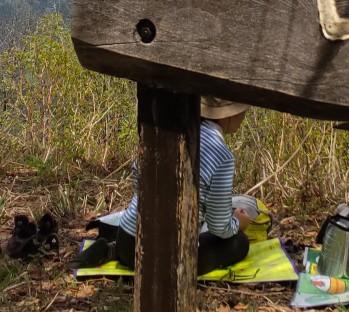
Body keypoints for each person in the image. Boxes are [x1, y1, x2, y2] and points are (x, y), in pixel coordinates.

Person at [77, 97, 252, 275]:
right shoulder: (222, 156)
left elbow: (137, 173)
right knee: (239, 243)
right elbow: (219, 226)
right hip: (166, 256)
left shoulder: (166, 130)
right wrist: (238, 223)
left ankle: (113, 249)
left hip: (127, 240)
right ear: (228, 116)